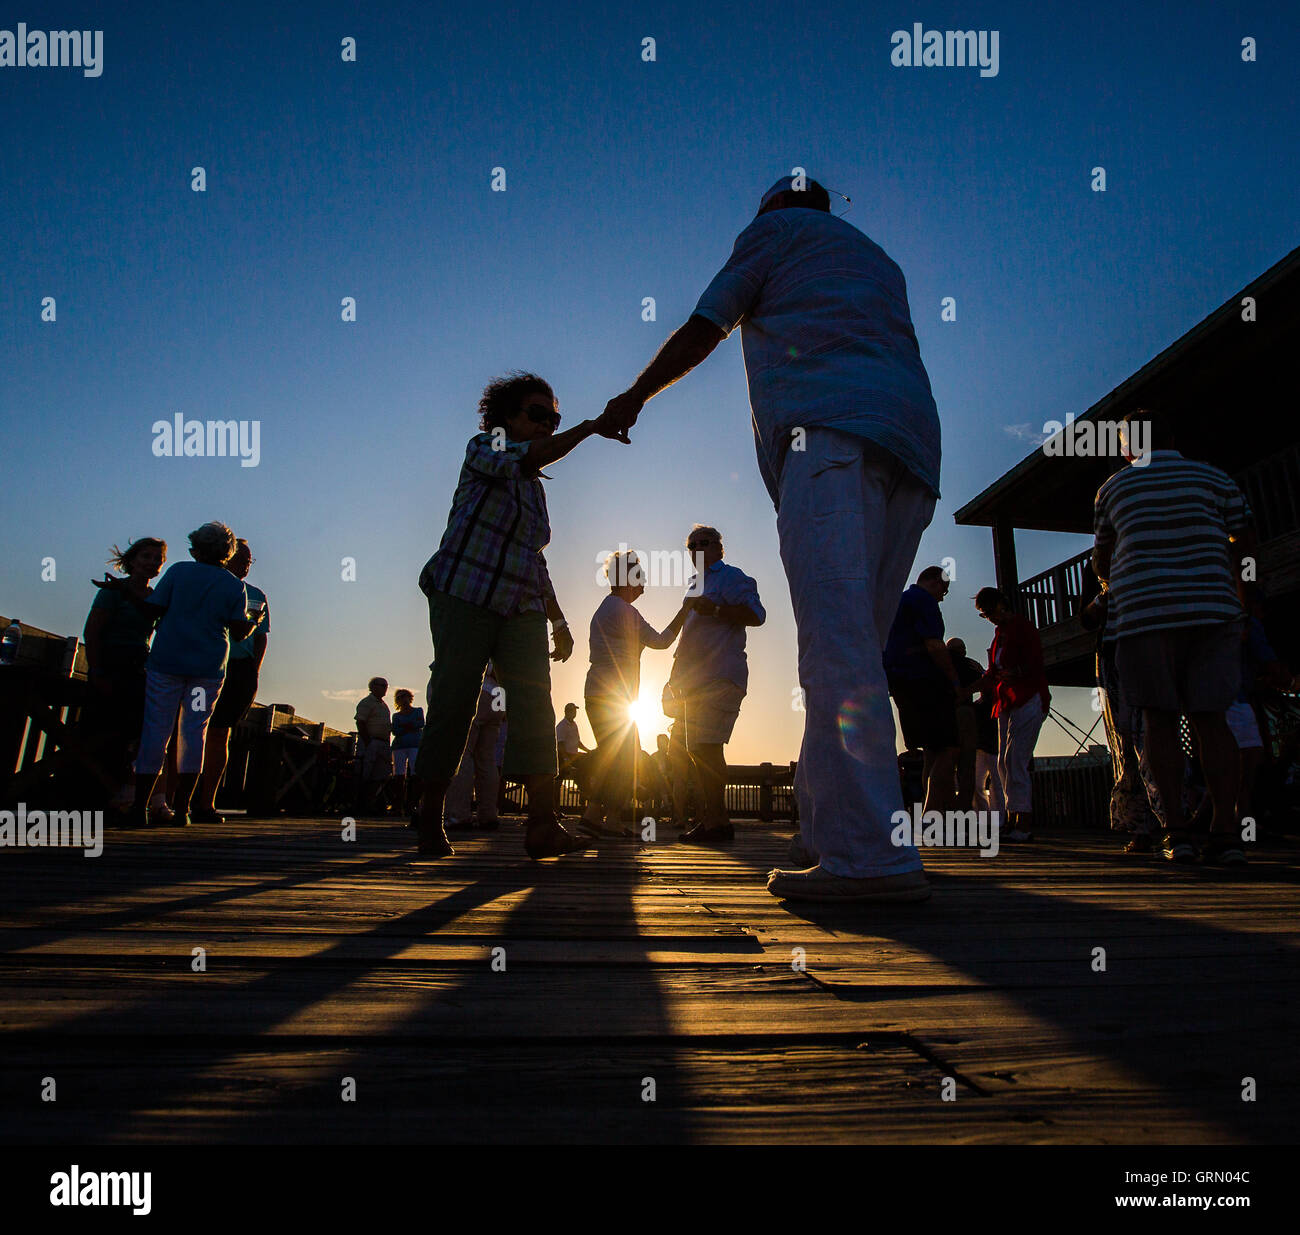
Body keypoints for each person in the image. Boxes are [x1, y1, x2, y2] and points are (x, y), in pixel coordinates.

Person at [601, 175, 938, 902]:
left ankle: (872, 861)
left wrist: (634, 395)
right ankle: (825, 832)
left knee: (837, 647)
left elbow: (707, 323)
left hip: (831, 435)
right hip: (911, 446)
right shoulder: (878, 258)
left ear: (772, 209)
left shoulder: (772, 236)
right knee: (857, 646)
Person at [411, 371, 627, 859]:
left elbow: (533, 556)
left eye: (554, 418)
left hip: (520, 605)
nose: (547, 425)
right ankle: (429, 815)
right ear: (506, 416)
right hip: (464, 593)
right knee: (455, 700)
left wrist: (558, 619)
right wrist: (591, 427)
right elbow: (528, 457)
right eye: (537, 414)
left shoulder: (536, 490)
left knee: (535, 706)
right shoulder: (485, 448)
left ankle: (543, 824)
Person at [1093, 410, 1256, 866]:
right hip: (1212, 610)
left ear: (1128, 445)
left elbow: (1102, 557)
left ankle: (1177, 834)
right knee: (1212, 720)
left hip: (1144, 617)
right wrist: (1246, 592)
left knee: (1159, 720)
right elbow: (1243, 539)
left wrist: (1110, 588)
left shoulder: (1113, 488)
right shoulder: (1213, 478)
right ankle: (1226, 834)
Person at [93, 522, 256, 828]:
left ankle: (139, 807)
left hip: (166, 663)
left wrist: (124, 593)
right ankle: (183, 809)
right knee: (194, 734)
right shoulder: (235, 587)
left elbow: (152, 610)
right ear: (228, 553)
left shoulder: (179, 572)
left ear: (195, 549)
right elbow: (238, 631)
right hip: (206, 671)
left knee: (157, 730)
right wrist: (253, 620)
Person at [662, 526, 764, 846]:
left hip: (721, 676)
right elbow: (687, 640)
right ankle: (712, 820)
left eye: (704, 543)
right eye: (691, 545)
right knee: (699, 750)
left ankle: (717, 822)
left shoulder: (731, 577)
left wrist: (717, 609)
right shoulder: (694, 586)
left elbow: (757, 615)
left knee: (707, 747)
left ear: (719, 549)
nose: (697, 549)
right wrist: (672, 679)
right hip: (695, 683)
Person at [579, 549, 689, 838]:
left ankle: (599, 816)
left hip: (598, 693)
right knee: (625, 758)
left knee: (616, 757)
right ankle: (603, 816)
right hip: (614, 698)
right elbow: (663, 641)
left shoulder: (605, 610)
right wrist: (685, 611)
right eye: (640, 578)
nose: (643, 585)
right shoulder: (625, 611)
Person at [82, 537, 168, 815]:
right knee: (103, 728)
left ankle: (123, 794)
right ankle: (92, 794)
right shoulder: (112, 591)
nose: (152, 563)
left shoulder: (154, 596)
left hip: (140, 666)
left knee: (134, 731)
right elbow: (93, 631)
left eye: (158, 559)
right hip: (112, 661)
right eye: (146, 557)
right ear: (132, 560)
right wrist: (96, 670)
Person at [193, 538, 268, 823]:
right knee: (187, 731)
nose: (247, 564)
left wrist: (254, 671)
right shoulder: (207, 584)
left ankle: (206, 801)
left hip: (239, 669)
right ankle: (172, 800)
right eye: (243, 558)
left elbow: (260, 638)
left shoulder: (257, 594)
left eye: (251, 560)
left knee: (220, 733)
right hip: (205, 663)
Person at [973, 587, 1050, 842]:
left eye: (990, 612)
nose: (990, 618)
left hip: (1027, 697)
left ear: (1001, 605)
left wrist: (1015, 672)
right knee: (1003, 762)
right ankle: (1012, 817)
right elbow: (993, 671)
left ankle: (1023, 821)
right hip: (1007, 702)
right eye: (985, 615)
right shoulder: (999, 635)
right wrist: (968, 691)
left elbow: (1036, 663)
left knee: (1015, 759)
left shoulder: (1023, 628)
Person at [884, 567, 961, 816]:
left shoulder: (897, 601)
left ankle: (931, 815)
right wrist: (954, 681)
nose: (943, 597)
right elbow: (935, 645)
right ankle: (933, 815)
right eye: (944, 591)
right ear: (934, 583)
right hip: (924, 681)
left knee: (930, 749)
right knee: (948, 747)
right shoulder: (923, 601)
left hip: (900, 682)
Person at [444, 665, 504, 831]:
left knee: (464, 752)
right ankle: (489, 815)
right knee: (487, 757)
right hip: (500, 695)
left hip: (479, 689)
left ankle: (458, 815)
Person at [947, 636, 985, 810]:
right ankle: (964, 809)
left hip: (944, 715)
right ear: (963, 650)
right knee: (967, 765)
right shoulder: (971, 665)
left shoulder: (939, 664)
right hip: (966, 713)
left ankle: (944, 807)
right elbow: (986, 683)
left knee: (944, 764)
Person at [354, 677, 393, 815]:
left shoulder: (383, 705)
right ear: (373, 686)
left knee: (380, 776)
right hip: (371, 742)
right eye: (382, 685)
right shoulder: (367, 703)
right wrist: (368, 742)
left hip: (383, 743)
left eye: (386, 685)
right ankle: (361, 806)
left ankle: (371, 804)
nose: (385, 687)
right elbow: (360, 722)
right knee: (365, 774)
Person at [390, 688, 425, 812]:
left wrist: (405, 726)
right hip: (399, 747)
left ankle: (413, 804)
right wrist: (410, 725)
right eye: (400, 697)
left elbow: (420, 724)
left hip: (415, 745)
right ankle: (398, 805)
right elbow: (395, 730)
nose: (403, 699)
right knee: (399, 775)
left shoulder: (418, 711)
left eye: (405, 696)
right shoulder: (396, 716)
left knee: (415, 774)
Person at [554, 701, 590, 813]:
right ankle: (556, 810)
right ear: (567, 712)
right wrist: (566, 760)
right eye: (573, 710)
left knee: (588, 769)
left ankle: (583, 799)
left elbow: (577, 742)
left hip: (574, 755)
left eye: (575, 711)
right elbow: (560, 745)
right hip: (563, 756)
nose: (575, 713)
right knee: (558, 783)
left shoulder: (574, 724)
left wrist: (588, 751)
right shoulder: (561, 726)